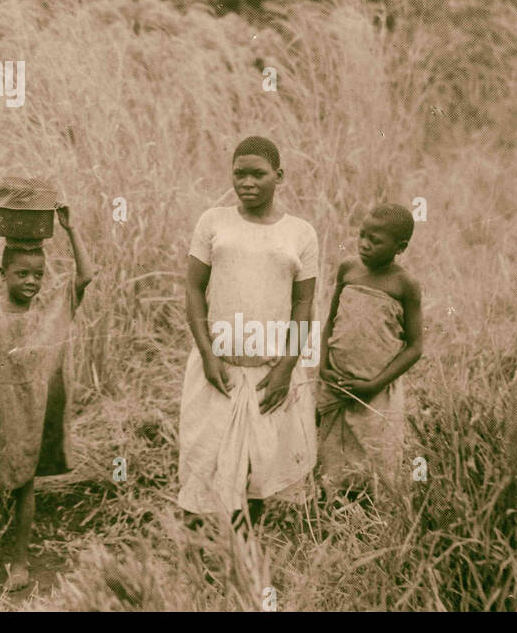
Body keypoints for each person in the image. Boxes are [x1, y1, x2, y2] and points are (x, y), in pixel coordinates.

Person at [178, 137, 318, 523]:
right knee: (206, 460)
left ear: (279, 176)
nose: (247, 183)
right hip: (219, 365)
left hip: (269, 370)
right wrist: (208, 355)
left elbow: (303, 304)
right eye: (239, 174)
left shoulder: (301, 233)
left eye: (258, 174)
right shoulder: (213, 221)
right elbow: (193, 288)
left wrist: (286, 368)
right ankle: (202, 557)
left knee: (260, 466)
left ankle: (245, 554)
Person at [0, 204, 93, 592]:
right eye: (22, 274)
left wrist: (71, 228)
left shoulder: (48, 312)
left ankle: (19, 560)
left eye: (38, 274)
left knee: (23, 487)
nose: (31, 281)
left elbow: (86, 276)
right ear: (2, 275)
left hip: (28, 414)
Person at [317, 203, 423, 492]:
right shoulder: (348, 269)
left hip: (376, 391)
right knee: (330, 457)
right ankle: (330, 507)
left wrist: (374, 384)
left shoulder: (405, 285)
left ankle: (367, 511)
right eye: (361, 235)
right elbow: (331, 320)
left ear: (400, 247)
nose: (364, 244)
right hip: (335, 383)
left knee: (374, 457)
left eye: (374, 241)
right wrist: (323, 364)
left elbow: (415, 347)